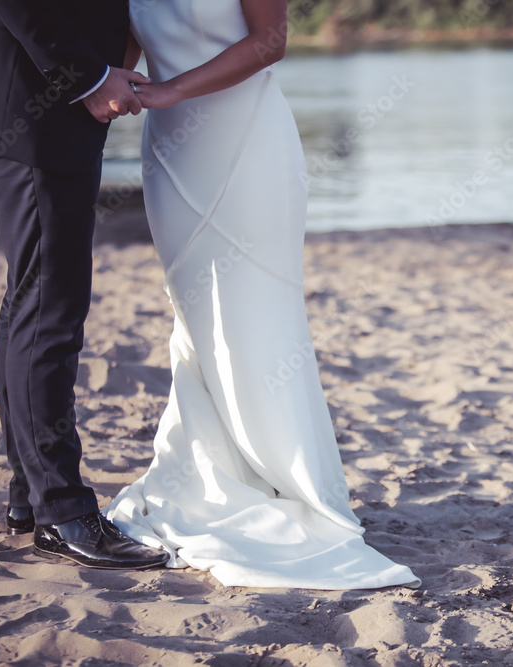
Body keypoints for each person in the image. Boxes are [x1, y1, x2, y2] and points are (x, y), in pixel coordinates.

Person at [104, 0, 420, 589]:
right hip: (172, 155)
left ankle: (285, 478)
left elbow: (270, 41)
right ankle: (206, 472)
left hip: (247, 145)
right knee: (195, 319)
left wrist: (172, 90)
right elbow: (123, 52)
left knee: (257, 313)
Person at [0, 2, 169, 570]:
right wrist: (93, 76)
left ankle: (31, 498)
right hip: (32, 103)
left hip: (29, 99)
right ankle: (61, 511)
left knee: (30, 304)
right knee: (49, 311)